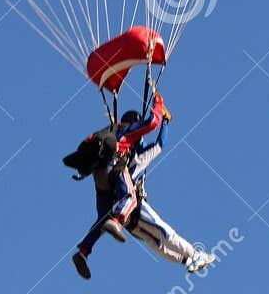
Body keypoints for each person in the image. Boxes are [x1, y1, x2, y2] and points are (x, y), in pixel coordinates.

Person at [70, 93, 216, 280]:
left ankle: (84, 249)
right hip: (133, 207)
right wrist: (164, 121)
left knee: (153, 241)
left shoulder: (114, 141)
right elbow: (159, 144)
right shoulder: (137, 153)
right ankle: (195, 255)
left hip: (122, 213)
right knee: (164, 232)